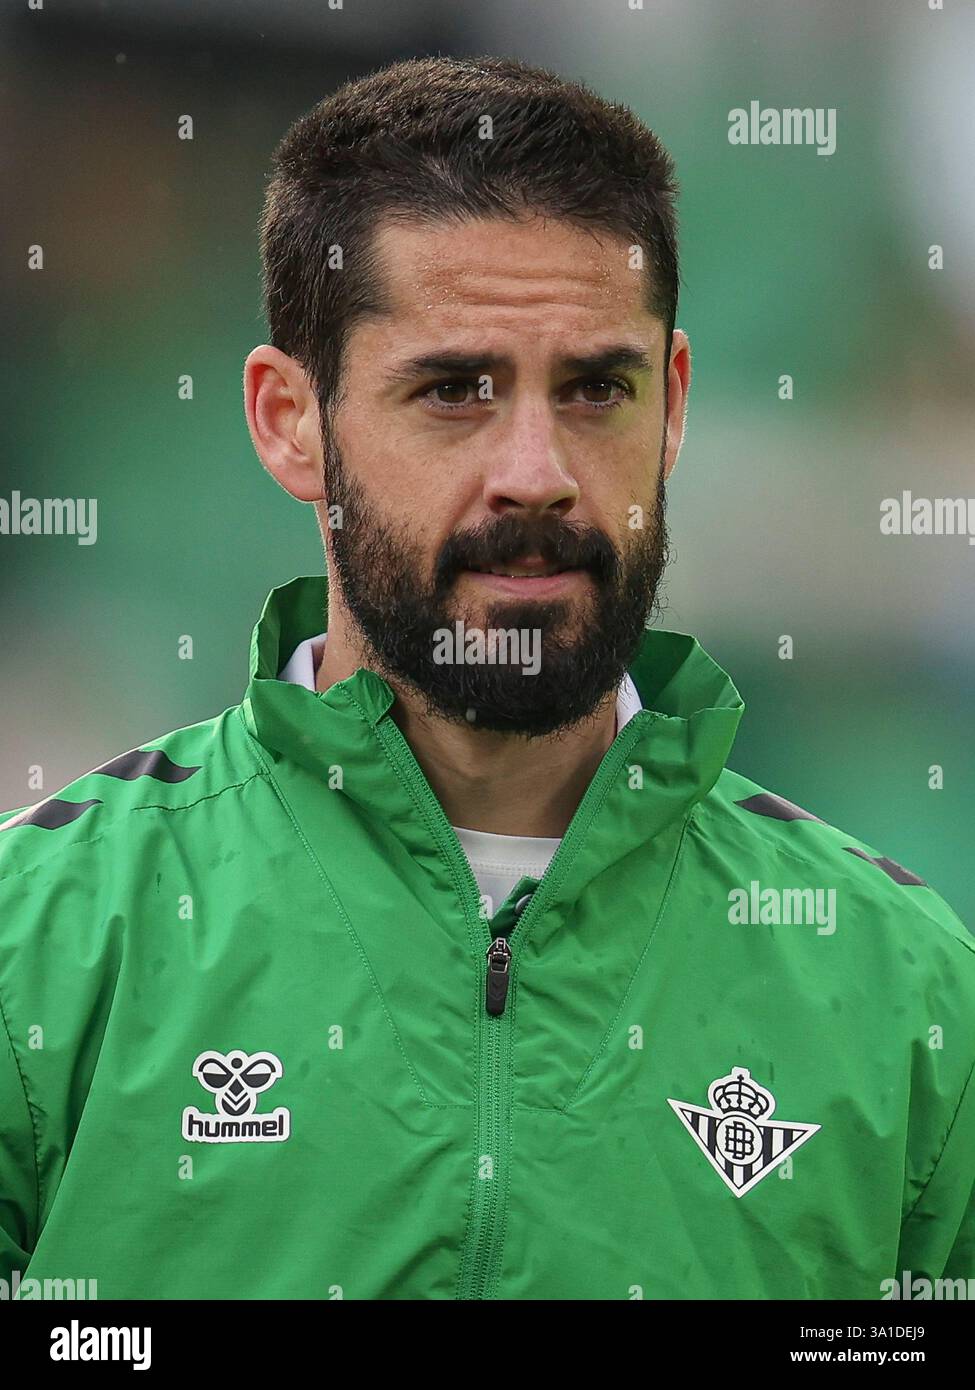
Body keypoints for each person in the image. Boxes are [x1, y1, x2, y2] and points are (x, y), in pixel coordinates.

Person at [1, 55, 972, 1301]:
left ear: (672, 408)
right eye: (455, 389)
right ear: (292, 422)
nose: (537, 471)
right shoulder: (43, 947)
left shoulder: (906, 991)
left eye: (594, 389)